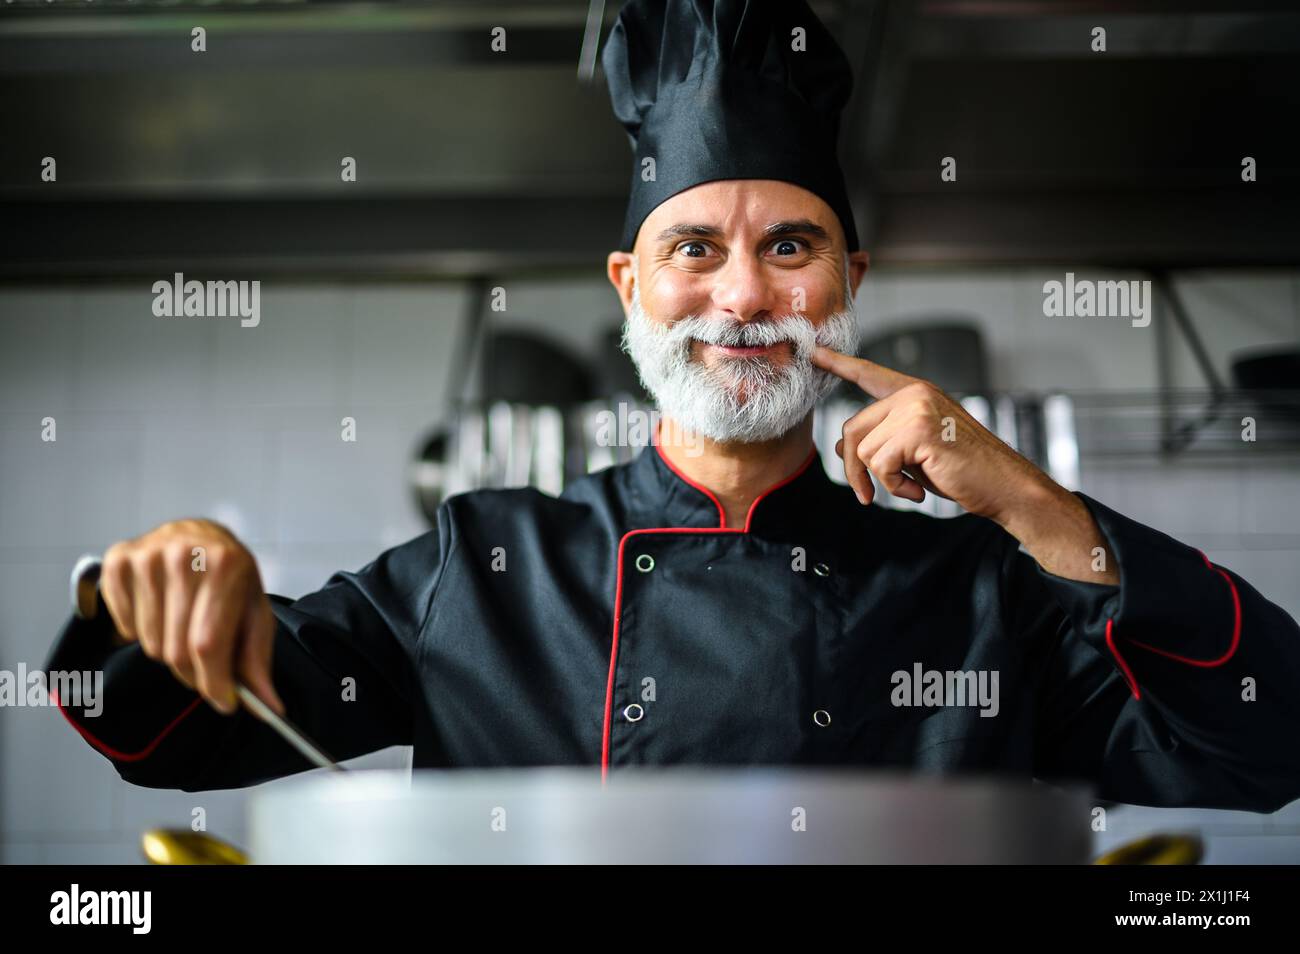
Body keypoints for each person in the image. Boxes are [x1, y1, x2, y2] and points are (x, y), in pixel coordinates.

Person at [46, 0, 1300, 812]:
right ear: (631, 286)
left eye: (791, 247)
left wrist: (1039, 508)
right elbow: (173, 738)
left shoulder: (978, 595)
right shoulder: (480, 570)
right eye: (694, 247)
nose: (743, 293)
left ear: (849, 283)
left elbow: (1271, 742)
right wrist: (148, 599)